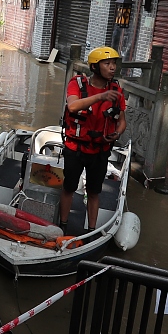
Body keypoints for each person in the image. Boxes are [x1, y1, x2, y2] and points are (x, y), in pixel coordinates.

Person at [59, 46, 127, 231]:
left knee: (94, 192)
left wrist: (118, 133)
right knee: (69, 187)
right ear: (95, 67)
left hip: (100, 150)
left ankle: (91, 230)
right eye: (107, 63)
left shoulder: (116, 90)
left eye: (114, 63)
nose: (112, 67)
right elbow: (72, 107)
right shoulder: (77, 83)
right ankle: (63, 224)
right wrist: (101, 96)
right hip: (75, 147)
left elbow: (122, 121)